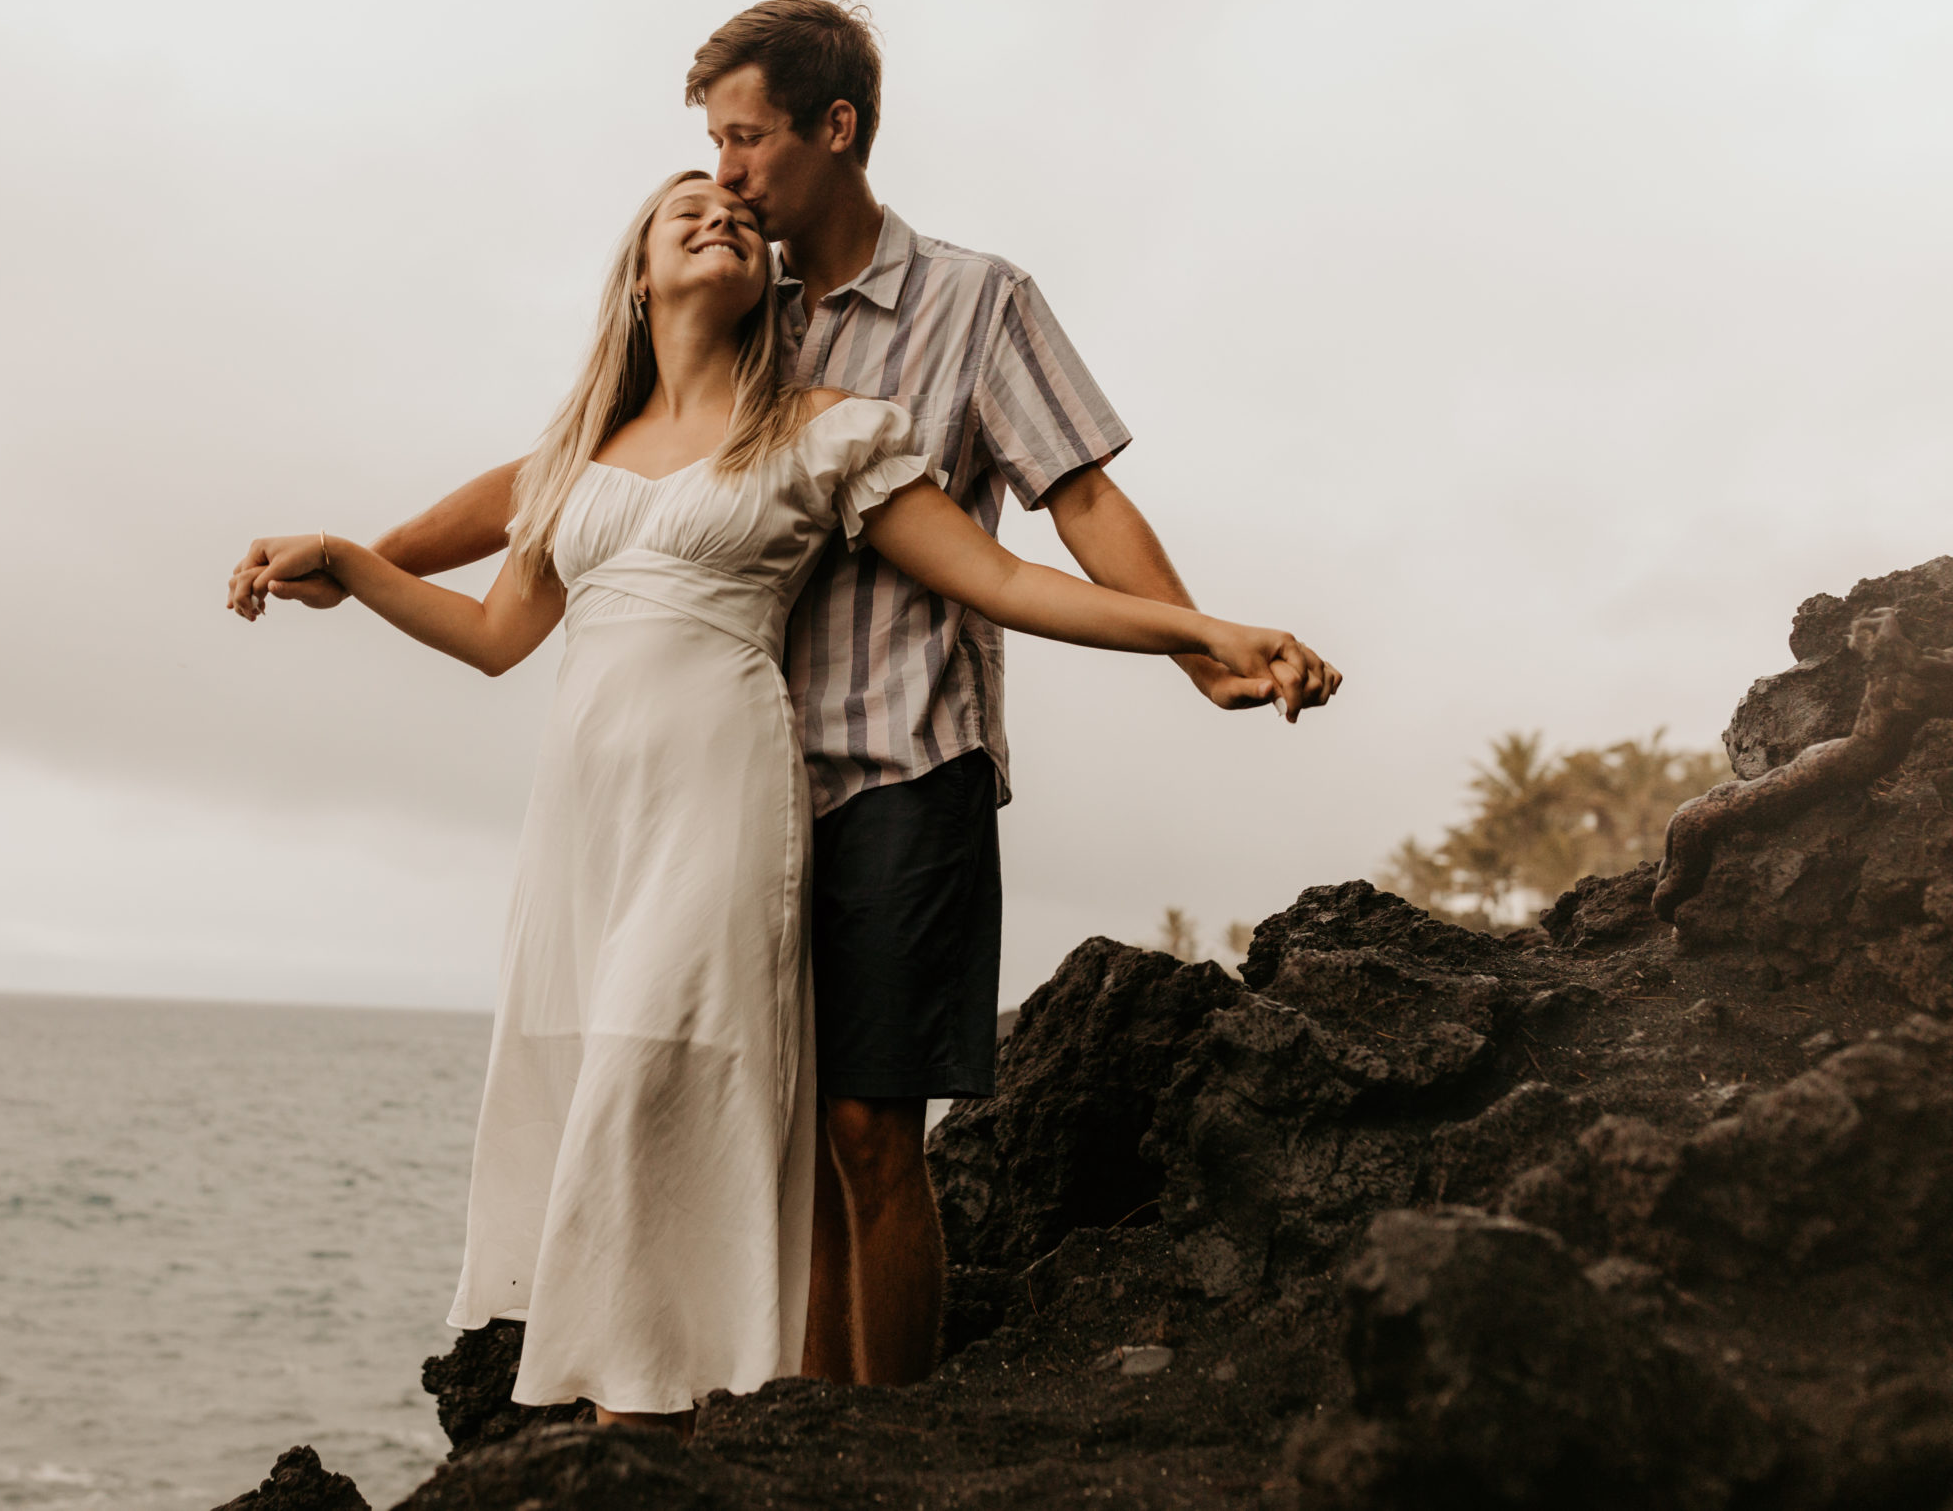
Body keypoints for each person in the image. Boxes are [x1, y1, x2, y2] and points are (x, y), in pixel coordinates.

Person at [230, 168, 1329, 1427]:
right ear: (638, 275)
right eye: (685, 209)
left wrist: (1202, 633)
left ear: (769, 286)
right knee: (611, 1086)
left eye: (742, 217)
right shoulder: (575, 457)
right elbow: (491, 634)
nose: (721, 215)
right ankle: (660, 1415)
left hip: (725, 797)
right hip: (587, 816)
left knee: (651, 1087)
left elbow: (1005, 580)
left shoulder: (822, 429)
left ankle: (641, 1422)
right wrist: (347, 563)